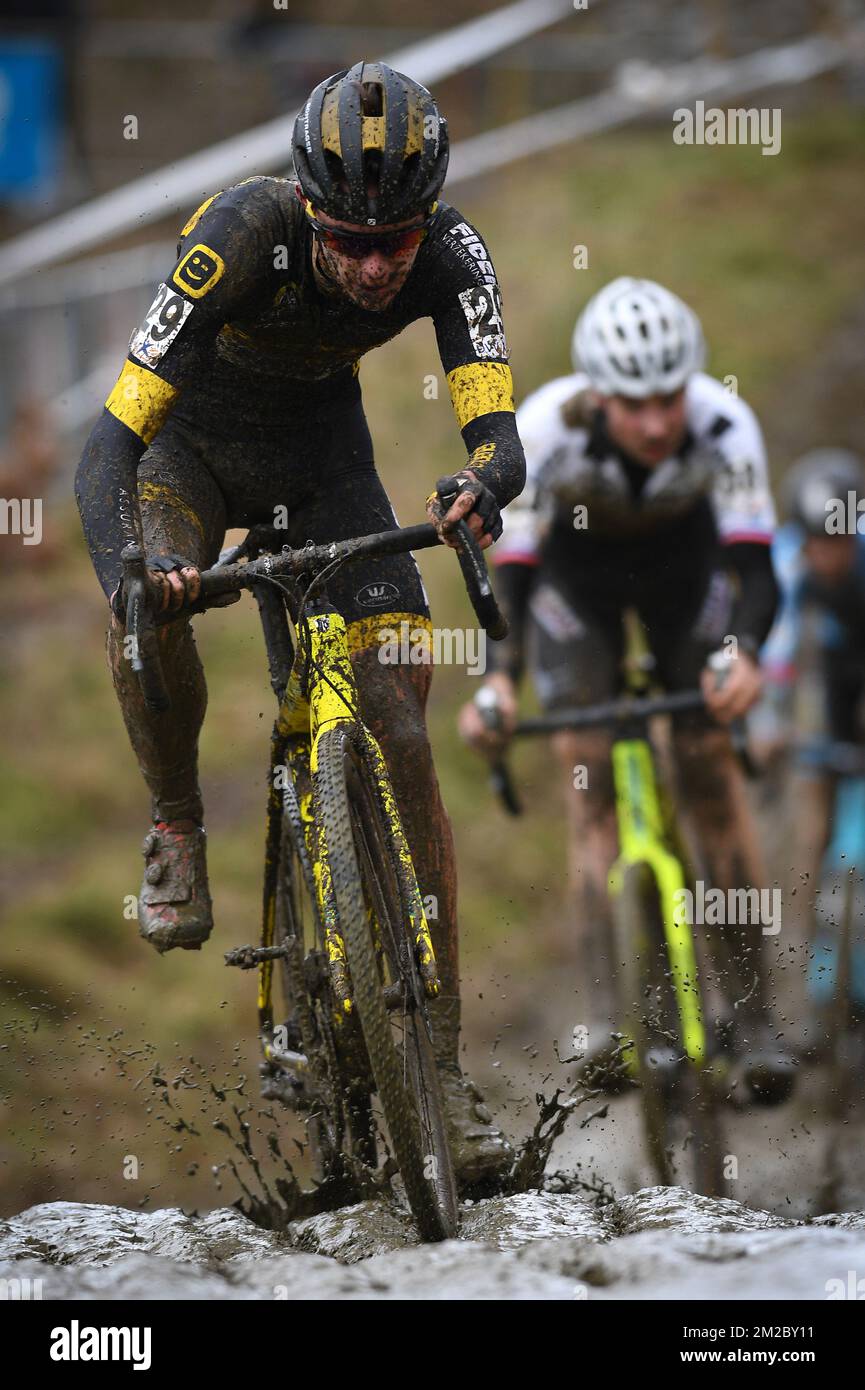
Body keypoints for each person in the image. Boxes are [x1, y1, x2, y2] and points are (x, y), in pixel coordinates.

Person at [74, 62, 526, 1191]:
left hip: (324, 467)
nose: (376, 268)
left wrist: (481, 482)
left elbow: (497, 429)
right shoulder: (239, 234)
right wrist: (135, 570)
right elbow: (111, 445)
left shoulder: (450, 255)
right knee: (150, 608)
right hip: (189, 459)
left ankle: (444, 1068)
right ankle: (178, 822)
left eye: (396, 243)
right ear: (304, 204)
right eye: (348, 241)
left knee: (402, 724)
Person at [459, 276, 794, 1101]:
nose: (654, 421)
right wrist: (499, 685)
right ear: (595, 394)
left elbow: (754, 569)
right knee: (589, 782)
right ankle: (609, 1023)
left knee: (711, 773)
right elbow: (517, 580)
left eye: (667, 398)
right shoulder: (544, 428)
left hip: (689, 585)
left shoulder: (725, 423)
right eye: (632, 402)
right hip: (579, 591)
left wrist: (743, 655)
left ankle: (752, 1023)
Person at [759, 449, 865, 1046]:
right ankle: (809, 997)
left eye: (840, 543)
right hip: (825, 696)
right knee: (809, 840)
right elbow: (777, 658)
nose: (829, 556)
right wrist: (772, 727)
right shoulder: (786, 566)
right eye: (818, 545)